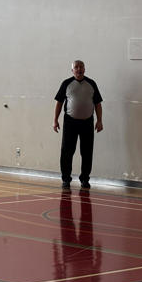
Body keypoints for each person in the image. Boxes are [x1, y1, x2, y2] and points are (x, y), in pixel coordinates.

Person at [53, 60, 103, 190]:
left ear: (84, 69)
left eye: (81, 67)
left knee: (87, 152)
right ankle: (66, 179)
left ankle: (85, 179)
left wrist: (99, 120)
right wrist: (55, 120)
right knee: (67, 152)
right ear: (72, 70)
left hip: (87, 123)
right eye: (76, 67)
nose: (79, 69)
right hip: (70, 122)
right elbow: (59, 102)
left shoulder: (91, 83)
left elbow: (98, 103)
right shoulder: (66, 84)